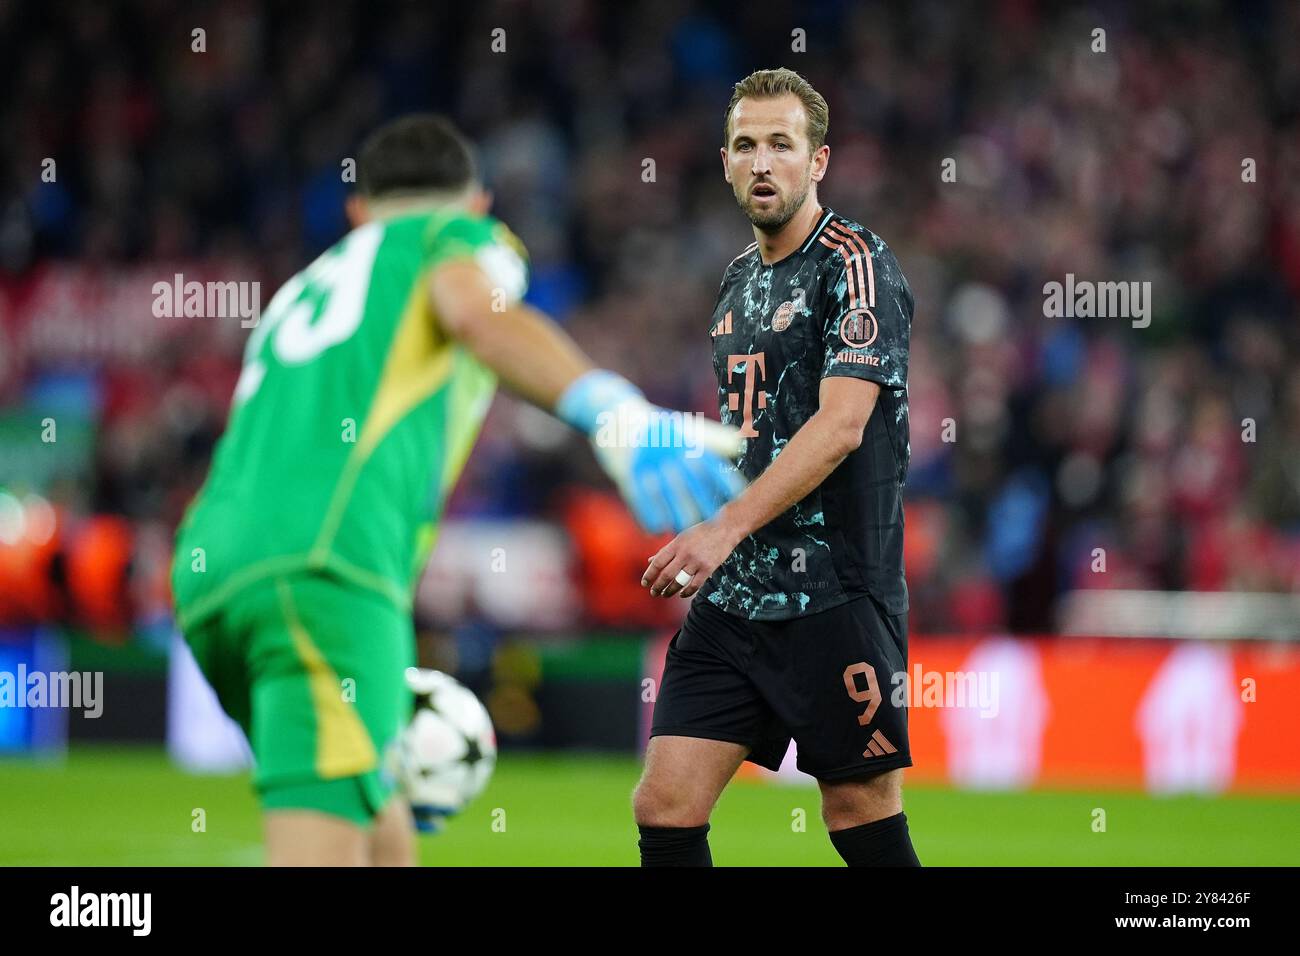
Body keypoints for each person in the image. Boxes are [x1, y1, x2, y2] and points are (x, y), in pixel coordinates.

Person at [171, 114, 743, 866]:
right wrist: (613, 412)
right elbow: (477, 314)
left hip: (211, 574)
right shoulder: (449, 237)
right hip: (325, 568)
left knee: (371, 812)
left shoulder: (301, 289)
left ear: (356, 211)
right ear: (478, 203)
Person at [637, 68, 921, 866]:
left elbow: (839, 427)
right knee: (665, 802)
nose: (762, 162)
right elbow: (753, 433)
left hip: (835, 587)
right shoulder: (735, 283)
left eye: (781, 145)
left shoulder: (856, 263)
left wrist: (720, 529)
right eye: (745, 146)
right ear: (725, 162)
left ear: (818, 161)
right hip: (739, 596)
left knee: (857, 807)